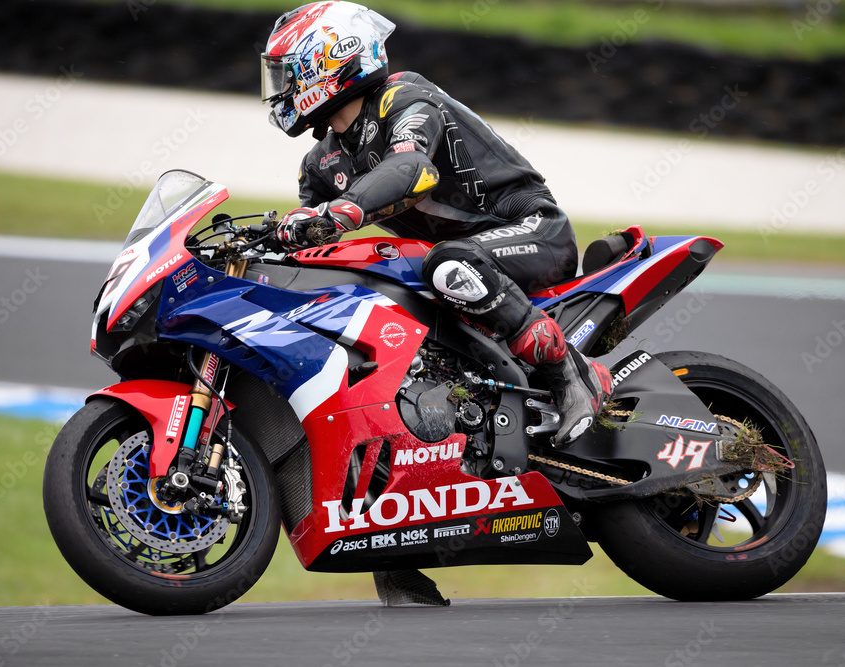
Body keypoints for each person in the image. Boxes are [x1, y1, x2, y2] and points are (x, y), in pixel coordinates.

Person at [261, 1, 612, 448]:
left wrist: (342, 212)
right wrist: (273, 237)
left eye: (286, 74)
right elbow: (308, 244)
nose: (278, 89)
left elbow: (412, 170)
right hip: (458, 264)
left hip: (531, 227)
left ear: (329, 59)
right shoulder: (319, 163)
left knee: (449, 262)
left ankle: (573, 375)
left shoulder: (405, 96)